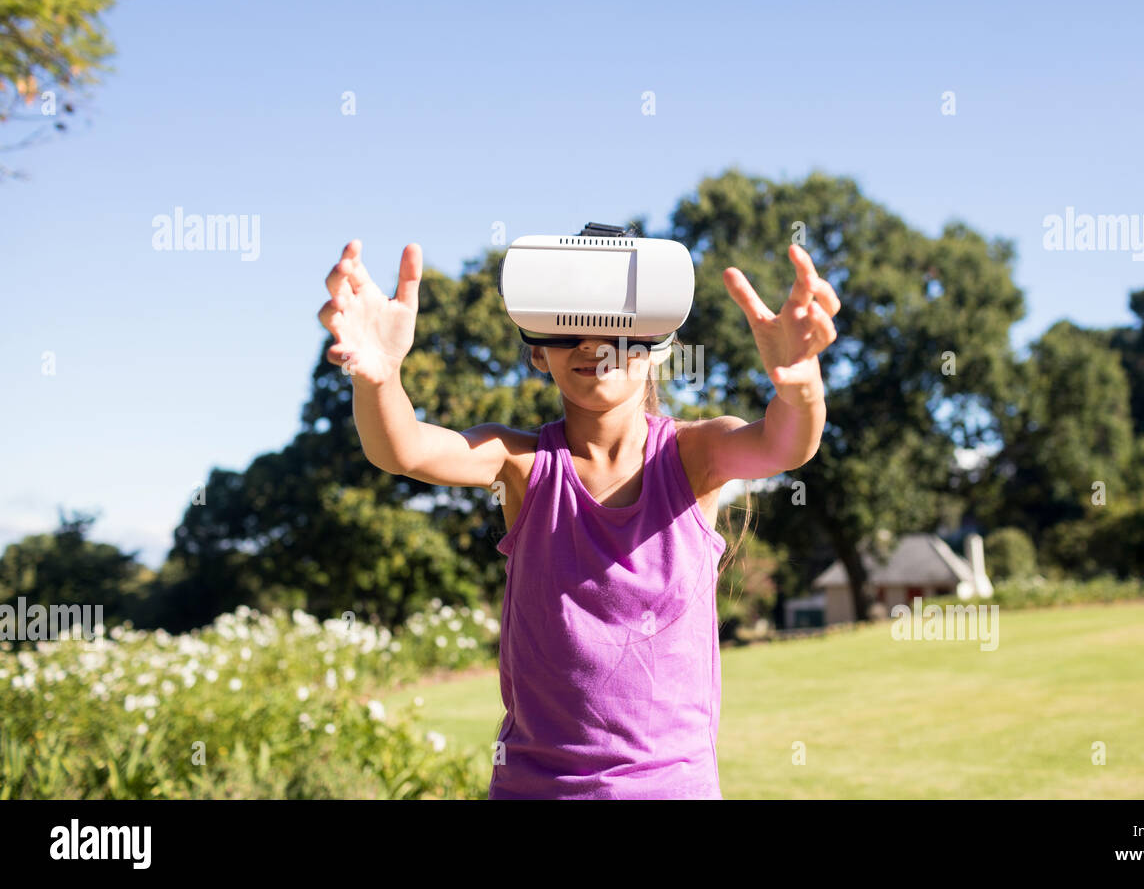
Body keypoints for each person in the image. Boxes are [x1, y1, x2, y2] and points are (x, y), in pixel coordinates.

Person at [316, 237, 839, 798]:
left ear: (660, 345)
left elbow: (785, 445)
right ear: (538, 352)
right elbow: (404, 450)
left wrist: (800, 384)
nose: (593, 342)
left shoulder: (693, 455)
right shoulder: (521, 463)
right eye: (567, 326)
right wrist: (379, 379)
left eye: (622, 325)